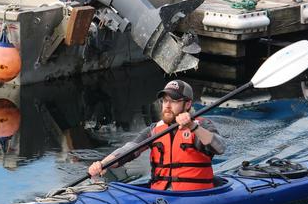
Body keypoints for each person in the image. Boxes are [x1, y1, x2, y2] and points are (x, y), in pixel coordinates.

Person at [88, 80, 225, 191]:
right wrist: (103, 164)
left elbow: (220, 148)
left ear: (187, 104)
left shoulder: (201, 126)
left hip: (194, 195)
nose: (167, 106)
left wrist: (193, 127)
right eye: (165, 101)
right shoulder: (154, 130)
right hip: (159, 194)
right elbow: (129, 150)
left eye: (174, 101)